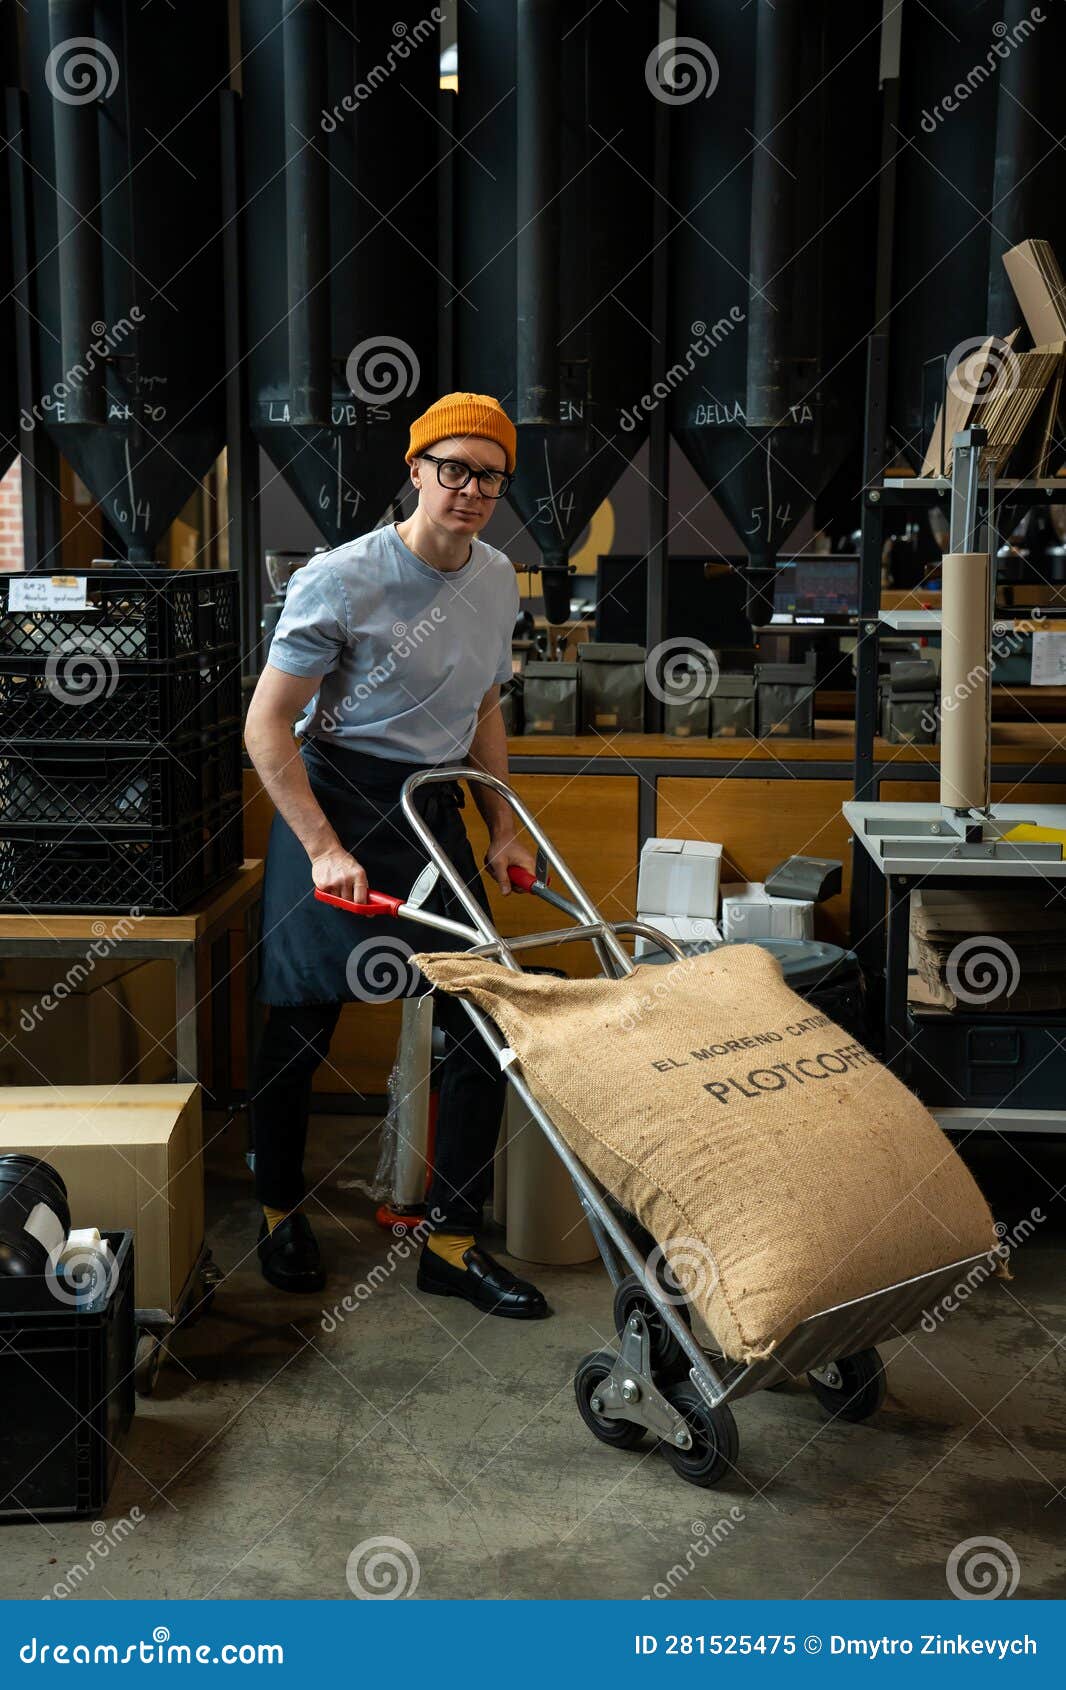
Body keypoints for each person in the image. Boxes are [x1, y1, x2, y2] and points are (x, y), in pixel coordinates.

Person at [243, 392, 550, 1319]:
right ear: (414, 471)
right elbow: (266, 726)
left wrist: (502, 823)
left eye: (486, 475)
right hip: (330, 802)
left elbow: (486, 705)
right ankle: (276, 1209)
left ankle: (451, 1242)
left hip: (430, 810)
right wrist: (323, 848)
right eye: (450, 468)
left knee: (482, 1023)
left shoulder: (498, 578)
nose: (467, 489)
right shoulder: (340, 579)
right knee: (300, 1021)